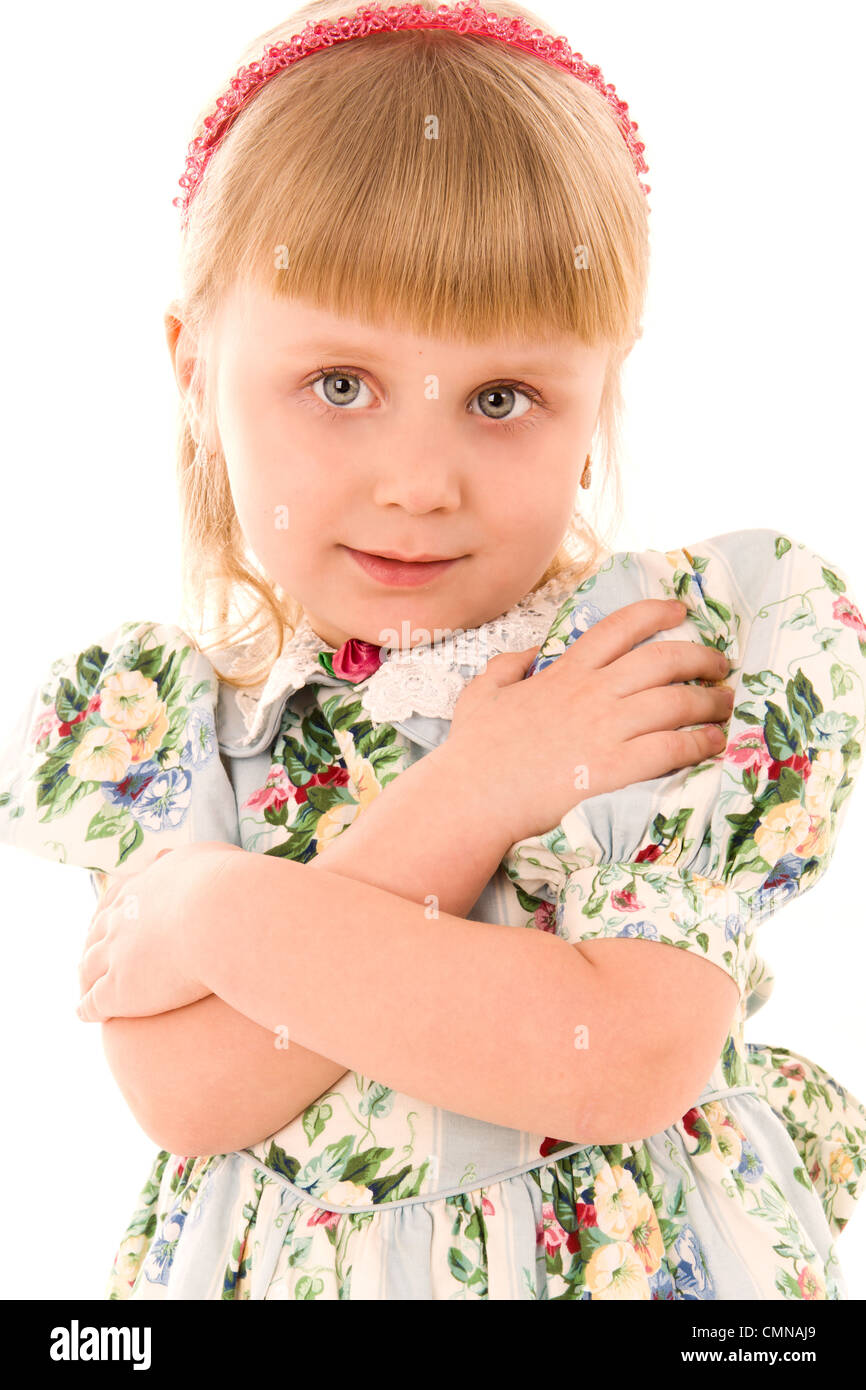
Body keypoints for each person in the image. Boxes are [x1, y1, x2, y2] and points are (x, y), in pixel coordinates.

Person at [1, 0, 865, 1301]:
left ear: (598, 402)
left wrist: (213, 905)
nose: (418, 481)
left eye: (501, 398)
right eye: (339, 384)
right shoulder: (170, 715)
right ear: (192, 371)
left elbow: (614, 1054)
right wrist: (467, 799)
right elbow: (193, 1094)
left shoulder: (643, 663)